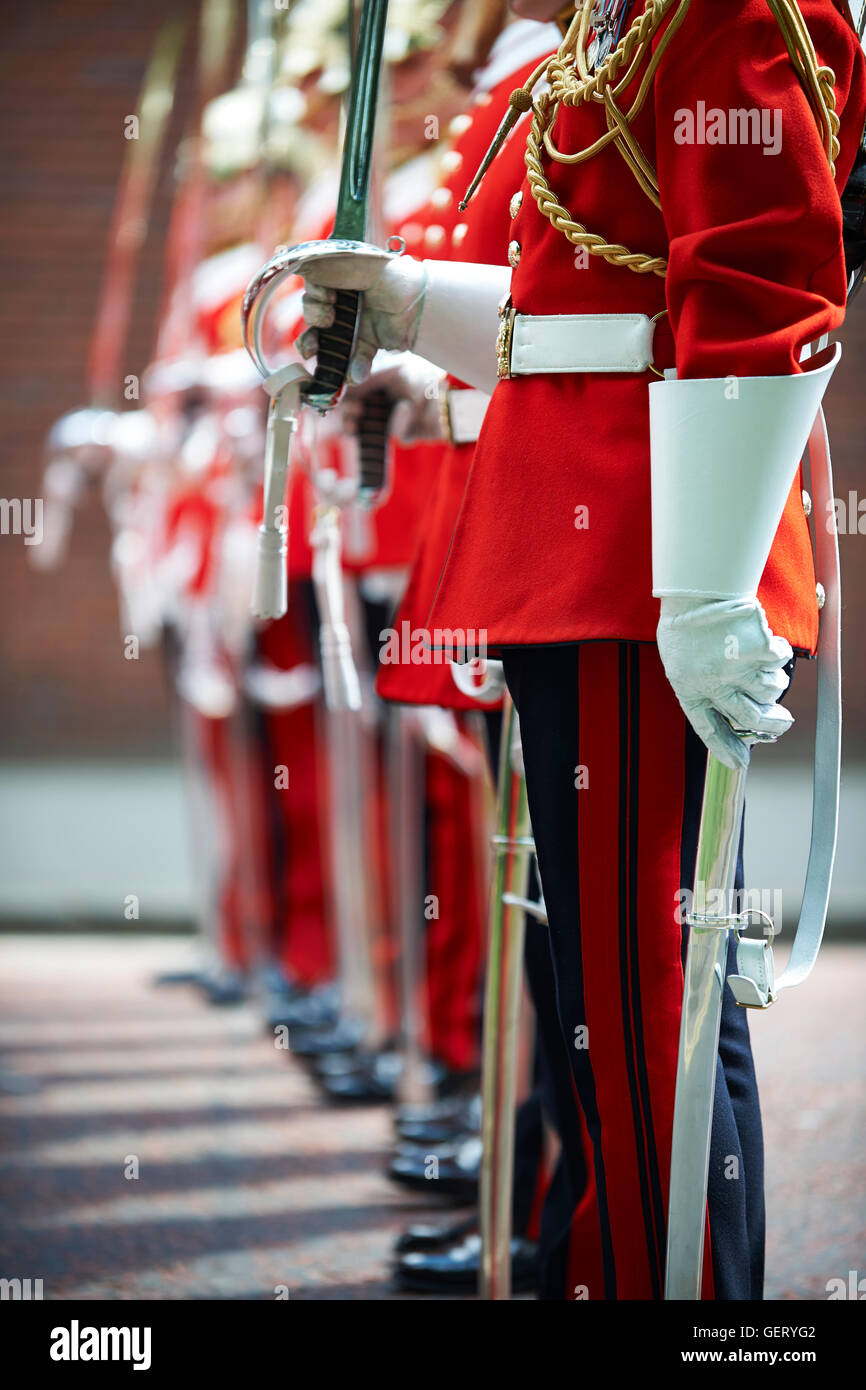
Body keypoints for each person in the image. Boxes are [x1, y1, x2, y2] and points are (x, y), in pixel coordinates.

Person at [294, 0, 866, 1298]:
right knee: (597, 992)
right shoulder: (618, 28)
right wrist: (403, 298)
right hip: (577, 546)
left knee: (638, 988)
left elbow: (765, 285)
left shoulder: (726, 14)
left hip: (642, 550)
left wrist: (706, 585)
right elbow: (563, 316)